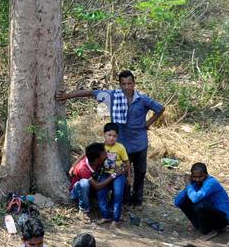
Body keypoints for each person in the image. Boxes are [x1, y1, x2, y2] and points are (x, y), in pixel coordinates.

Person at [56, 71, 164, 207]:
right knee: (122, 173)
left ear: (134, 84)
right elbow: (91, 92)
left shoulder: (142, 100)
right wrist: (68, 96)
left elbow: (160, 109)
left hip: (140, 143)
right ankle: (125, 201)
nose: (126, 87)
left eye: (129, 83)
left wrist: (148, 123)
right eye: (123, 84)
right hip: (121, 145)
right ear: (119, 85)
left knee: (140, 172)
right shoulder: (113, 96)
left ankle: (137, 200)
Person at [173, 162, 229, 238]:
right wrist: (189, 185)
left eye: (200, 177)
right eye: (194, 177)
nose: (197, 179)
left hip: (222, 218)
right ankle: (202, 227)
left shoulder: (211, 182)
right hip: (208, 215)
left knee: (200, 205)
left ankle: (216, 229)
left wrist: (189, 185)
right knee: (184, 201)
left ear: (206, 174)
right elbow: (177, 202)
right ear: (191, 176)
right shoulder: (194, 183)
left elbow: (195, 199)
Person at [69, 142, 113, 219]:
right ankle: (84, 210)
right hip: (78, 192)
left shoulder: (94, 158)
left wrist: (73, 165)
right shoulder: (83, 168)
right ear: (97, 160)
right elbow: (97, 186)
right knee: (84, 183)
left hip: (92, 187)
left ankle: (109, 206)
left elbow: (87, 152)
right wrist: (113, 175)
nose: (106, 154)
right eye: (104, 154)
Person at [98, 122, 130, 226]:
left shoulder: (120, 147)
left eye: (114, 136)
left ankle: (115, 219)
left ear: (117, 137)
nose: (112, 138)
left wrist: (129, 176)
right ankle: (105, 215)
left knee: (118, 195)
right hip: (105, 174)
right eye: (109, 135)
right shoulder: (101, 147)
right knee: (101, 193)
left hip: (118, 175)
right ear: (104, 134)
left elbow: (126, 162)